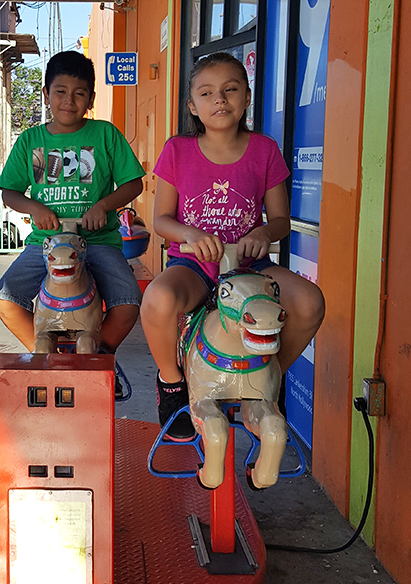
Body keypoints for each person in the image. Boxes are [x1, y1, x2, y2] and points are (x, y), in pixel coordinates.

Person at [141, 52, 325, 440]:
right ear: (193, 105)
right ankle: (172, 384)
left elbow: (278, 220)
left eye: (230, 90)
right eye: (207, 93)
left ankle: (265, 384)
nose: (219, 99)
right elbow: (161, 221)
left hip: (249, 267)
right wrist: (190, 235)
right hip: (194, 267)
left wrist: (263, 234)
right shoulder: (177, 151)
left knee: (309, 302)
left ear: (246, 99)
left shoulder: (264, 150)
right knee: (157, 299)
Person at [0, 50, 145, 393]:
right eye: (60, 91)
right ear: (46, 94)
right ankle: (43, 355)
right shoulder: (31, 140)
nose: (68, 100)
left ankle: (100, 359)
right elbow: (10, 192)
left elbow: (134, 183)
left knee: (128, 300)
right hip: (44, 244)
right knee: (6, 296)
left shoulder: (105, 135)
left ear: (90, 98)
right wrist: (34, 207)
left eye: (79, 93)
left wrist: (104, 206)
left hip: (99, 241)